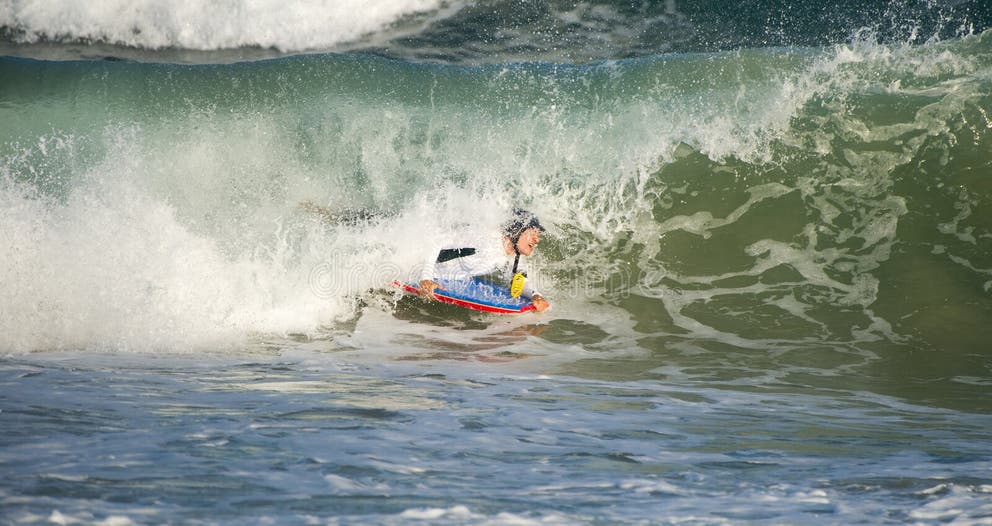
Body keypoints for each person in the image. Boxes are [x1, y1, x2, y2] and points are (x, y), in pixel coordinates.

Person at [418, 208, 551, 312]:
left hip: (445, 279)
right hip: (416, 266)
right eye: (533, 233)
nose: (537, 240)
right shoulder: (486, 239)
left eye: (538, 235)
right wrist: (426, 278)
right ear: (517, 231)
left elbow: (521, 281)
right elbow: (437, 241)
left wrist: (536, 296)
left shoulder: (512, 256)